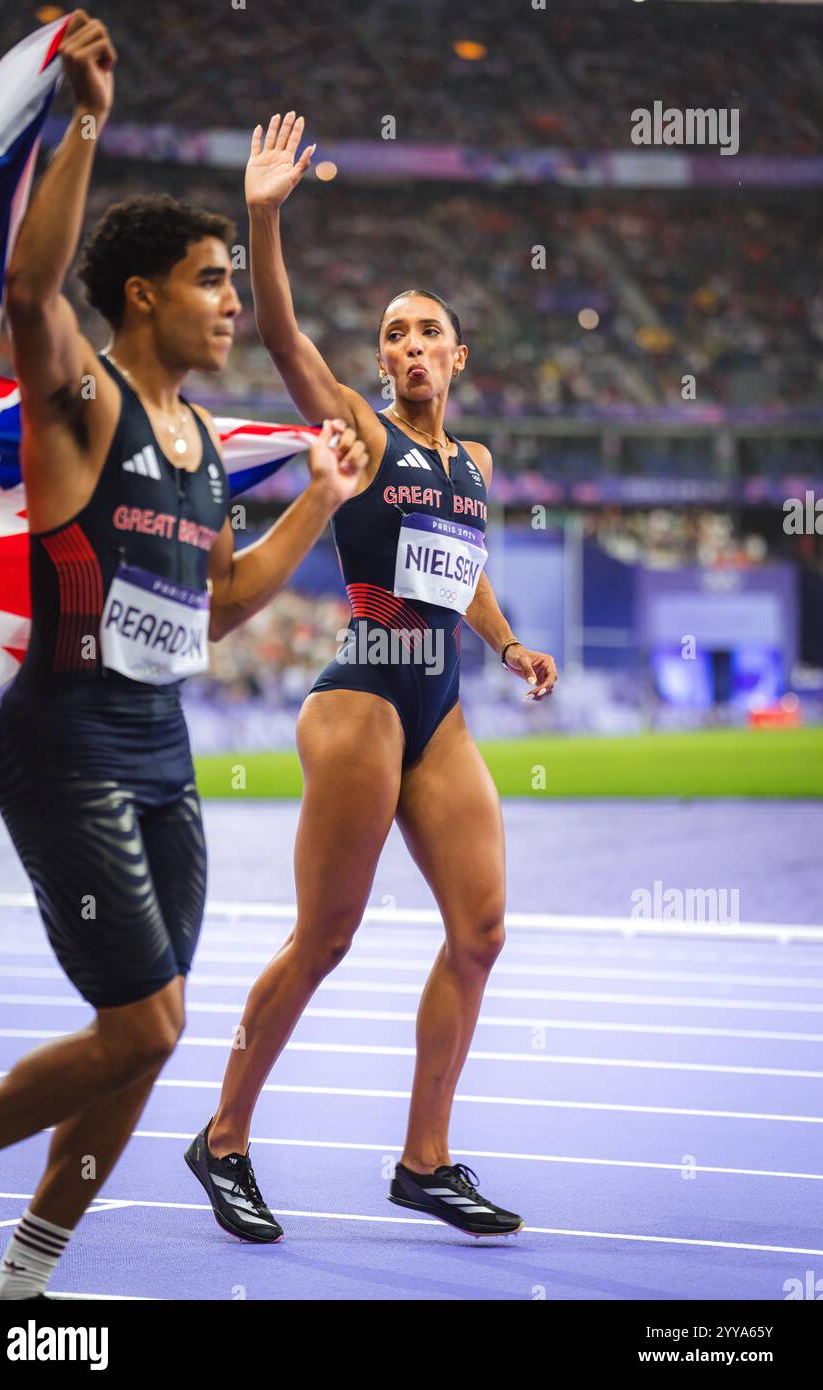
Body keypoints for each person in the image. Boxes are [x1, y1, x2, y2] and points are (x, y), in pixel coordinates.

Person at [0, 22, 367, 1298]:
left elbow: (211, 610)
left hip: (158, 745)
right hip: (65, 741)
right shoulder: (85, 404)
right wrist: (84, 114)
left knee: (142, 1047)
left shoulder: (200, 445)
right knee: (146, 1022)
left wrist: (316, 498)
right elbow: (29, 295)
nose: (231, 303)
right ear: (142, 296)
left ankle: (23, 1286)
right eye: (211, 279)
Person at [185, 112, 558, 1242]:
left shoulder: (472, 461)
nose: (404, 346)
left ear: (455, 357)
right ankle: (224, 1137)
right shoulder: (359, 427)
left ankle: (423, 1159)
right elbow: (289, 342)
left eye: (424, 332)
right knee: (327, 936)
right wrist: (262, 214)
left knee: (480, 929)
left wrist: (504, 643)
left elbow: (459, 573)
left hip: (436, 697)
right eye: (391, 333)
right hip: (358, 696)